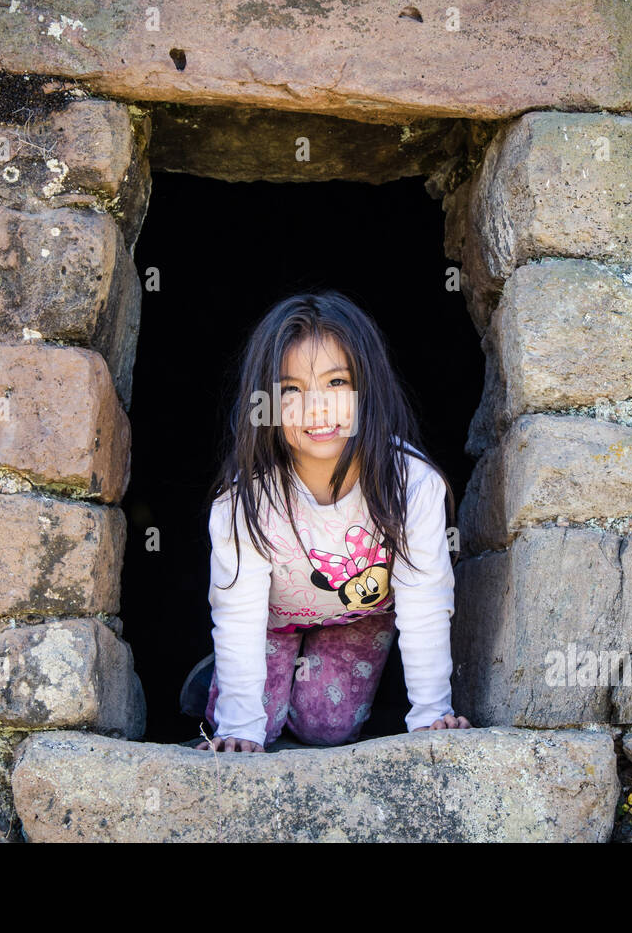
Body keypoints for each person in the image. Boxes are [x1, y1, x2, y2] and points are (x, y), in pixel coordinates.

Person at [184, 290, 471, 752]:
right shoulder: (246, 499)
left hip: (360, 615)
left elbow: (425, 600)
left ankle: (300, 688)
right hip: (272, 622)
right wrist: (238, 726)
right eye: (291, 389)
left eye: (337, 383)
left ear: (367, 387)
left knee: (327, 729)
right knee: (259, 726)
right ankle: (213, 684)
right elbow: (238, 611)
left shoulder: (412, 484)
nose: (316, 408)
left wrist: (431, 714)